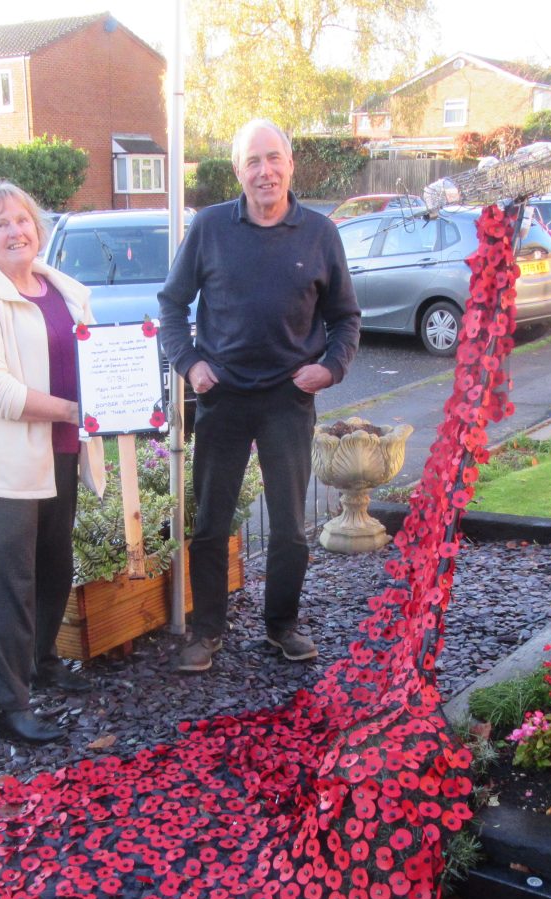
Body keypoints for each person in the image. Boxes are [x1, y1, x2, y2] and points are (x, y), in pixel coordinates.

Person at [158, 118, 361, 673]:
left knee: (291, 526)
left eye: (273, 158)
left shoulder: (320, 234)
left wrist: (330, 369)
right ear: (237, 171)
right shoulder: (209, 228)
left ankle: (282, 625)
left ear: (290, 164)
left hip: (287, 399)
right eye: (253, 161)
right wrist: (191, 363)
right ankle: (207, 632)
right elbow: (172, 307)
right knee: (211, 521)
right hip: (221, 394)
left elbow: (346, 318)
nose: (264, 171)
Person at [0, 179, 103, 745]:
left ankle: (42, 664)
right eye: (0, 223)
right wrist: (73, 409)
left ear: (40, 228)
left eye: (23, 220)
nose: (15, 231)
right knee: (11, 582)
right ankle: (10, 706)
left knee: (55, 568)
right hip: (2, 465)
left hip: (60, 453)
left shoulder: (61, 289)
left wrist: (115, 397)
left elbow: (91, 359)